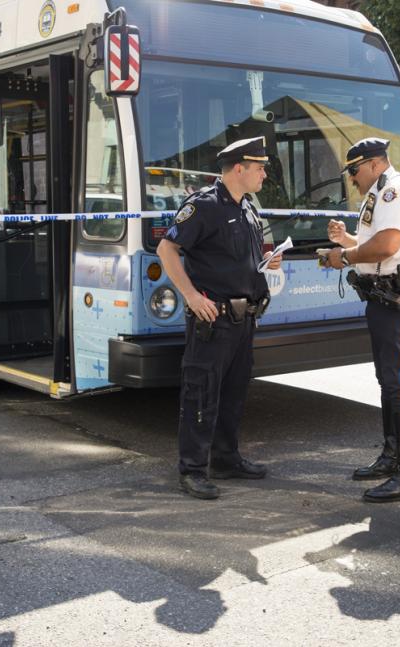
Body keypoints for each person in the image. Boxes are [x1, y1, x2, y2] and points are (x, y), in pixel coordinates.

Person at [157, 136, 282, 500]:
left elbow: (244, 258)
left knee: (233, 393)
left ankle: (226, 458)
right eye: (259, 167)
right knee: (202, 393)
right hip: (213, 319)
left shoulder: (249, 208)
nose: (264, 174)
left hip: (244, 319)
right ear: (238, 169)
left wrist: (270, 263)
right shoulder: (205, 206)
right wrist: (192, 296)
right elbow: (167, 248)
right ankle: (193, 469)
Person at [323, 137, 400, 503]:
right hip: (386, 295)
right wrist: (349, 241)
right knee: (389, 379)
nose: (353, 178)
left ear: (374, 164)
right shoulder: (381, 195)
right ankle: (393, 457)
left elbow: (388, 247)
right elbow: (381, 247)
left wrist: (344, 255)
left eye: (355, 170)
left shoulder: (396, 191)